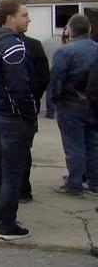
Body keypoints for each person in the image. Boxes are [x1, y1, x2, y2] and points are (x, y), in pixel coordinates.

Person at [0, 0, 36, 241]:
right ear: (10, 18)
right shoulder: (13, 46)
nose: (28, 18)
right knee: (12, 171)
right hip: (12, 117)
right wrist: (29, 115)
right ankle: (8, 225)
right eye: (24, 15)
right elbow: (20, 87)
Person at [48, 14, 98, 197]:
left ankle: (74, 184)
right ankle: (94, 183)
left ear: (69, 30)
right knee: (93, 144)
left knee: (74, 145)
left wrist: (54, 100)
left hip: (71, 103)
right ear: (89, 29)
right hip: (93, 104)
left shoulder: (65, 52)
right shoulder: (96, 49)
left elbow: (56, 79)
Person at [18, 30, 49, 203]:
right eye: (24, 15)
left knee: (15, 150)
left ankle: (20, 189)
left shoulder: (34, 45)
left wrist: (32, 97)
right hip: (19, 106)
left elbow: (44, 77)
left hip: (20, 107)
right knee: (22, 149)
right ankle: (21, 190)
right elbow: (44, 76)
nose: (28, 19)